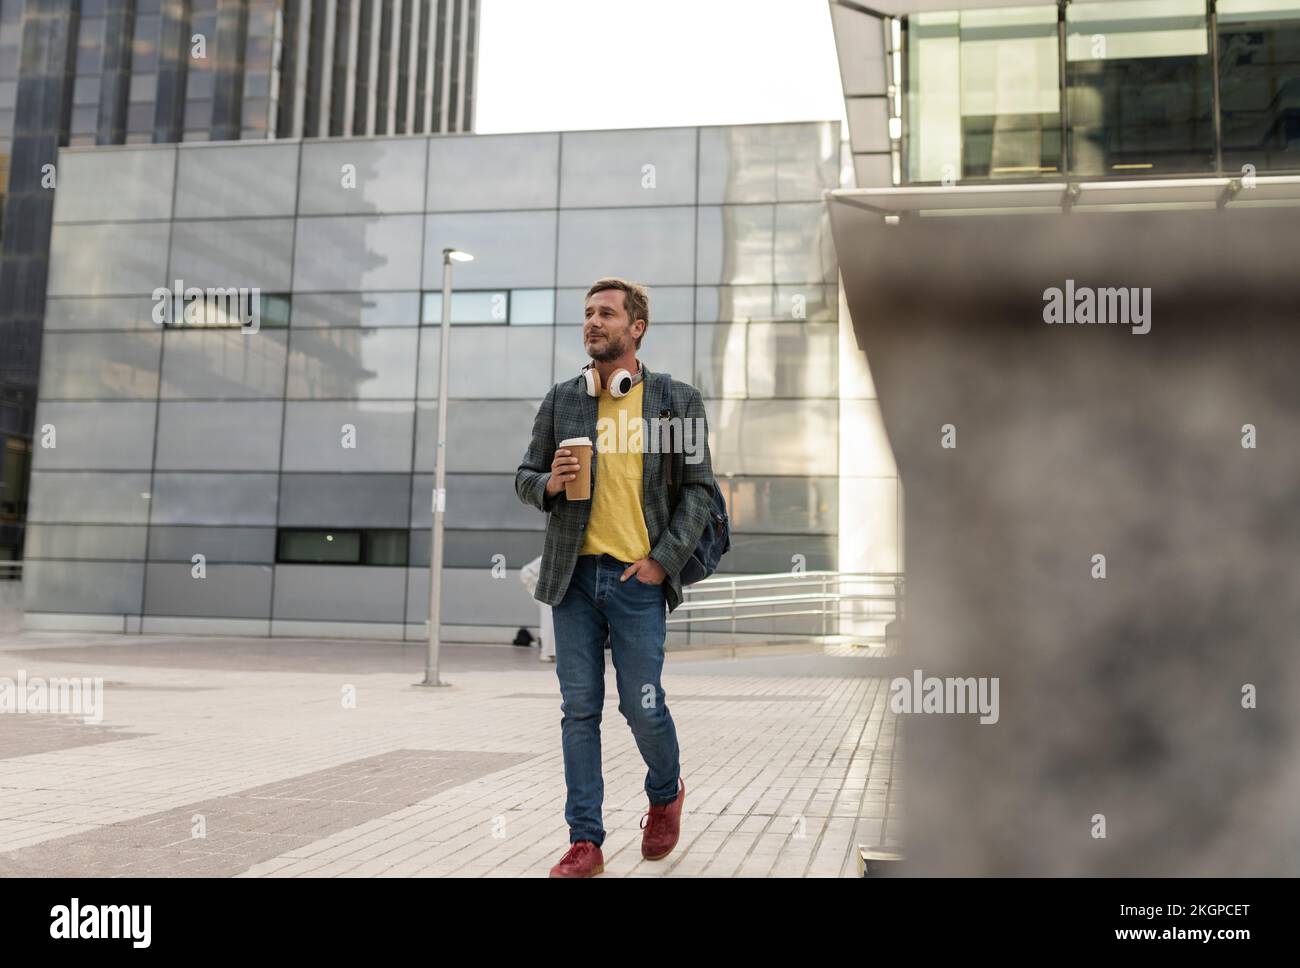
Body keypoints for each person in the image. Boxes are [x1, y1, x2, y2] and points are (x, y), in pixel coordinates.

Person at [515, 277, 714, 877]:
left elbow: (700, 492)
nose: (593, 322)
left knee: (641, 704)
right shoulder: (562, 400)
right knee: (579, 709)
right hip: (572, 579)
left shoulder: (677, 402)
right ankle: (586, 841)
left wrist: (663, 562)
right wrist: (548, 482)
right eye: (587, 313)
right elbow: (524, 476)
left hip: (638, 580)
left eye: (606, 313)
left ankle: (665, 793)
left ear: (637, 328)